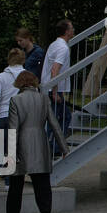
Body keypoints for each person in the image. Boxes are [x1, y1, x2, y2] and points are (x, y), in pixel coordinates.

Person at [0, 71, 67, 213]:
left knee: (16, 185)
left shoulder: (15, 100)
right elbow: (54, 124)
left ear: (19, 83)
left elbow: (13, 128)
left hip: (22, 143)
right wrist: (63, 147)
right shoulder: (43, 98)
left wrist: (11, 153)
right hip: (40, 142)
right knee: (42, 183)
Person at [0, 49, 25, 191]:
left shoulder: (1, 77)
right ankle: (8, 182)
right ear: (22, 59)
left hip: (2, 115)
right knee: (12, 151)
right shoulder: (25, 76)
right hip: (17, 115)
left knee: (0, 150)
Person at [42, 20, 75, 156]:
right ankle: (54, 148)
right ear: (67, 31)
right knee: (63, 118)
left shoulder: (54, 44)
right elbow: (55, 70)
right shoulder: (63, 48)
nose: (73, 30)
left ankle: (51, 147)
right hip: (54, 89)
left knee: (54, 119)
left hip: (49, 88)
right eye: (72, 28)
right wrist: (55, 92)